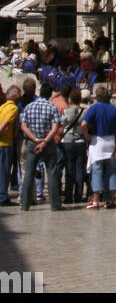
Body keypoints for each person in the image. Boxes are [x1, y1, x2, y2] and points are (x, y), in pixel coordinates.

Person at [19, 82, 63, 210]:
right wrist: (44, 142)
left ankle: (25, 203)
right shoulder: (52, 107)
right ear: (50, 94)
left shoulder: (29, 107)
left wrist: (34, 138)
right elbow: (55, 127)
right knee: (52, 172)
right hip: (47, 142)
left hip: (32, 142)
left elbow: (24, 126)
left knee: (29, 172)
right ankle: (55, 204)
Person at [82, 83, 116, 209]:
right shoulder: (114, 109)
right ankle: (111, 199)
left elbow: (84, 124)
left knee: (97, 171)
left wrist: (87, 135)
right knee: (111, 172)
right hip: (110, 141)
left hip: (98, 141)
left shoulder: (94, 108)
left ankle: (95, 200)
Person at [59, 87, 87, 204]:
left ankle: (68, 195)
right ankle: (78, 195)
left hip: (68, 141)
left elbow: (61, 122)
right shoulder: (85, 112)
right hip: (80, 141)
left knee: (69, 169)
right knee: (80, 169)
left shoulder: (66, 111)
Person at [0, 84, 20, 205]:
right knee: (4, 171)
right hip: (6, 143)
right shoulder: (13, 108)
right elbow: (6, 123)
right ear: (14, 95)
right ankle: (2, 197)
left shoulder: (2, 107)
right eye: (19, 93)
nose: (21, 95)